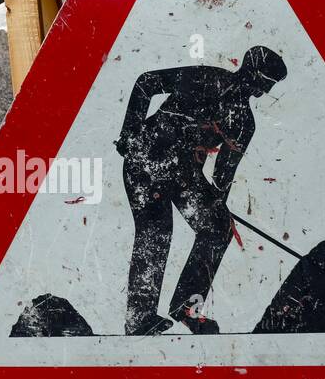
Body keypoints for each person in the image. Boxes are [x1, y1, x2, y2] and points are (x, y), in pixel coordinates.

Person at [115, 45, 287, 335]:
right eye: (266, 83)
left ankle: (186, 306)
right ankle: (139, 318)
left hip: (183, 174)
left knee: (218, 227)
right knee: (155, 231)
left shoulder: (244, 122)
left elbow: (223, 175)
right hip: (147, 159)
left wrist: (217, 204)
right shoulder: (206, 77)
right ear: (253, 74)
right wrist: (129, 134)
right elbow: (147, 82)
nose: (265, 92)